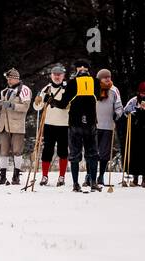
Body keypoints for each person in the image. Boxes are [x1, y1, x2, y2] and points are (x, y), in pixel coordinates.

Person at [54, 60, 99, 192]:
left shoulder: (72, 83)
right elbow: (100, 97)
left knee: (74, 154)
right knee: (92, 154)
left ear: (77, 70)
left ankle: (75, 183)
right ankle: (93, 182)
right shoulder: (96, 82)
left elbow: (62, 104)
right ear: (88, 70)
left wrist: (51, 100)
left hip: (75, 123)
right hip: (91, 122)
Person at [0, 68, 30, 185]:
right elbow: (3, 109)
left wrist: (12, 105)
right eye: (8, 78)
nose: (9, 80)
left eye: (11, 78)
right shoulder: (4, 91)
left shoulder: (24, 90)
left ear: (16, 78)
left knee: (17, 151)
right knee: (3, 151)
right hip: (4, 124)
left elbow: (25, 107)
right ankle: (2, 176)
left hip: (17, 125)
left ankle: (16, 175)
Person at [33, 64, 69, 185]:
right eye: (55, 74)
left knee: (63, 151)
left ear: (63, 76)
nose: (57, 77)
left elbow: (69, 106)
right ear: (51, 76)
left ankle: (62, 176)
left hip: (64, 124)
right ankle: (44, 176)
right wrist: (37, 101)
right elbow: (37, 107)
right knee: (47, 150)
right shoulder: (46, 89)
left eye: (59, 75)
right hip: (49, 124)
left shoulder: (67, 88)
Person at [120, 82, 145, 186]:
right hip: (135, 130)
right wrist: (132, 112)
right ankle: (135, 177)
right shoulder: (134, 100)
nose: (142, 95)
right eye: (141, 93)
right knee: (135, 153)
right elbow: (125, 111)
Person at [93, 69, 123, 188]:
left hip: (108, 126)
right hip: (94, 126)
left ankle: (101, 176)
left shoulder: (114, 90)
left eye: (109, 77)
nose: (107, 79)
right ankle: (90, 176)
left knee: (104, 153)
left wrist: (117, 114)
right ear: (99, 79)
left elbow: (119, 106)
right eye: (104, 77)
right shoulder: (93, 89)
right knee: (93, 152)